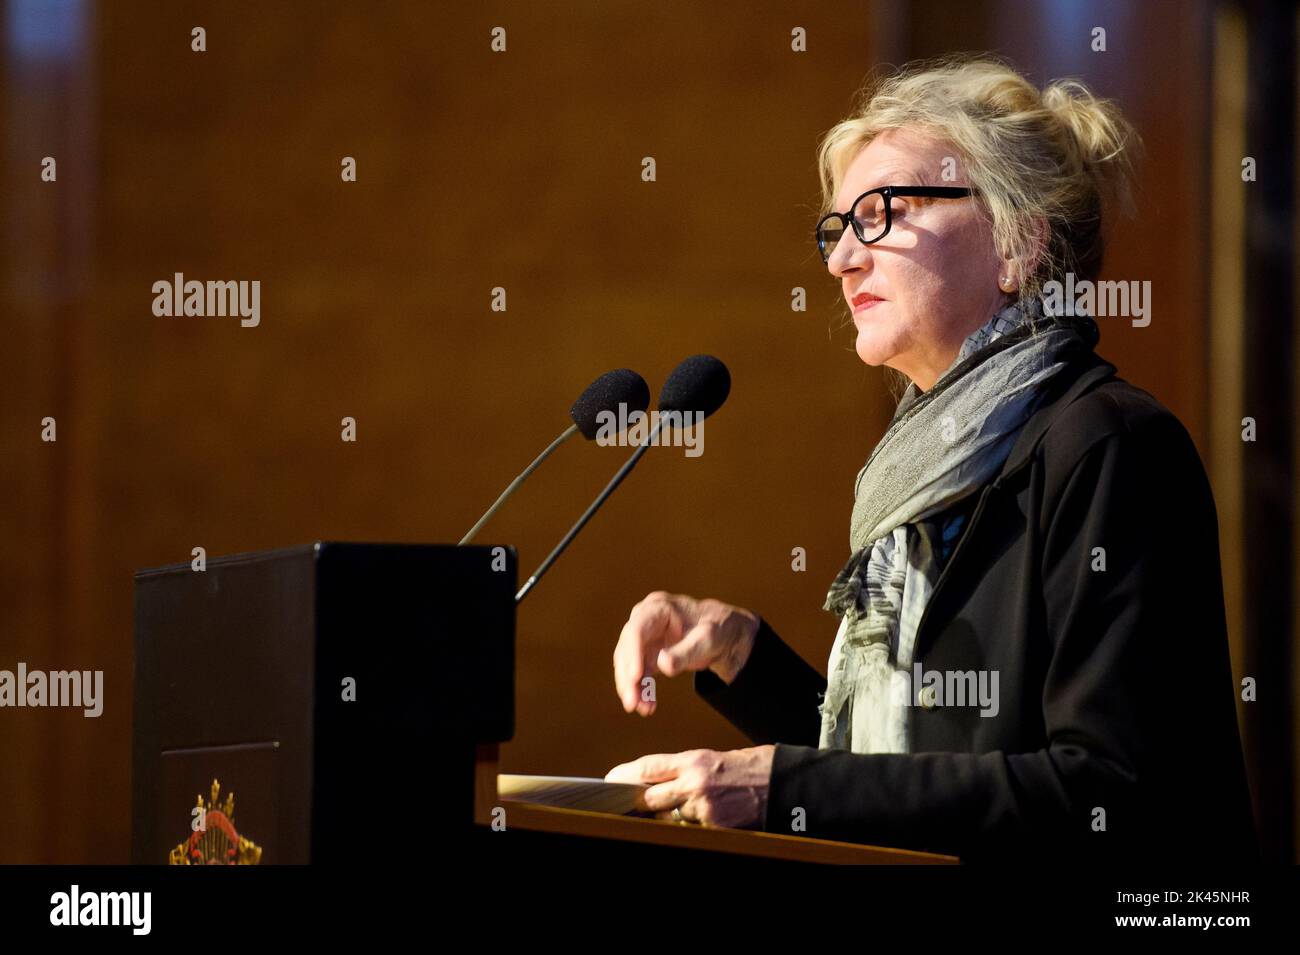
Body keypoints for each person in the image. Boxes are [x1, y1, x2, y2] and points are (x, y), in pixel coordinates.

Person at [605, 54, 1256, 862]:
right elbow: (913, 766)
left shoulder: (1108, 445)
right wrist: (743, 654)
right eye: (837, 229)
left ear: (1018, 241)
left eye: (883, 212)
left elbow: (1109, 791)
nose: (844, 260)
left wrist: (783, 788)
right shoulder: (919, 471)